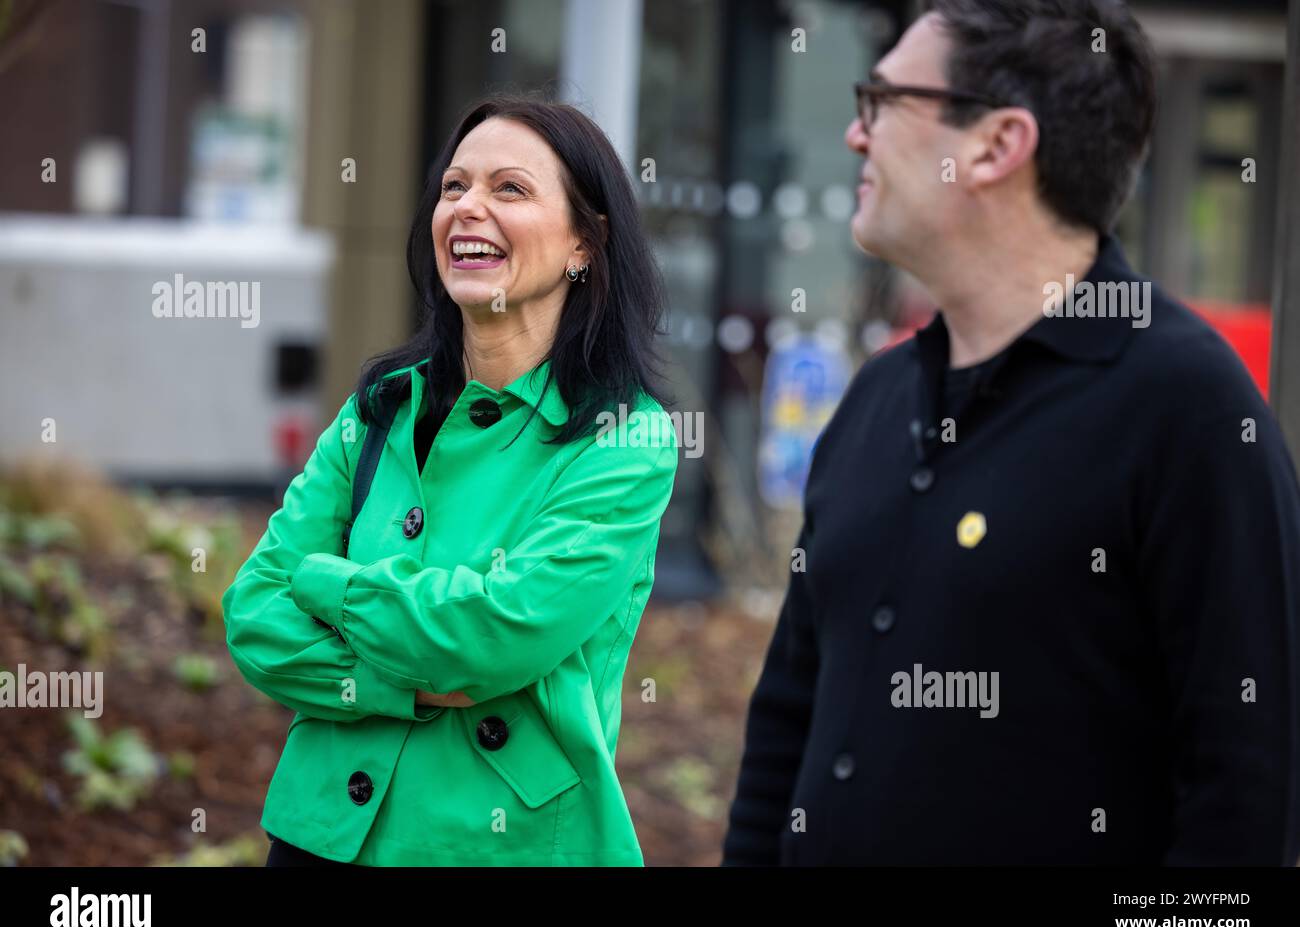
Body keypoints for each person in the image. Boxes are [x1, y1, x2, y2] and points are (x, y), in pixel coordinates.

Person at [722, 0, 1300, 865]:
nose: (854, 133)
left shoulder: (1191, 411)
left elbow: (1246, 806)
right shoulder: (877, 398)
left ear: (996, 146)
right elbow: (787, 726)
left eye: (882, 101)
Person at [223, 96, 679, 866]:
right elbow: (255, 614)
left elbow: (496, 632)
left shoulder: (624, 440)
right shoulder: (379, 408)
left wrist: (329, 585)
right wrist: (402, 684)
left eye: (510, 189)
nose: (468, 208)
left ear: (585, 243)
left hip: (504, 844)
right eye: (453, 187)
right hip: (321, 836)